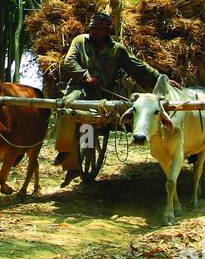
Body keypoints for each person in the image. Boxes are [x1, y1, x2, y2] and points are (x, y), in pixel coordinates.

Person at [53, 10, 163, 185]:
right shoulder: (80, 41)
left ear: (107, 31)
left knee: (89, 126)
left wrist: (160, 79)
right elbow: (69, 62)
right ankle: (65, 150)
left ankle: (76, 164)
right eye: (92, 28)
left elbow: (138, 68)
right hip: (79, 88)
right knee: (68, 106)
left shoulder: (117, 50)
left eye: (98, 29)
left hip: (101, 95)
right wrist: (84, 76)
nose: (94, 31)